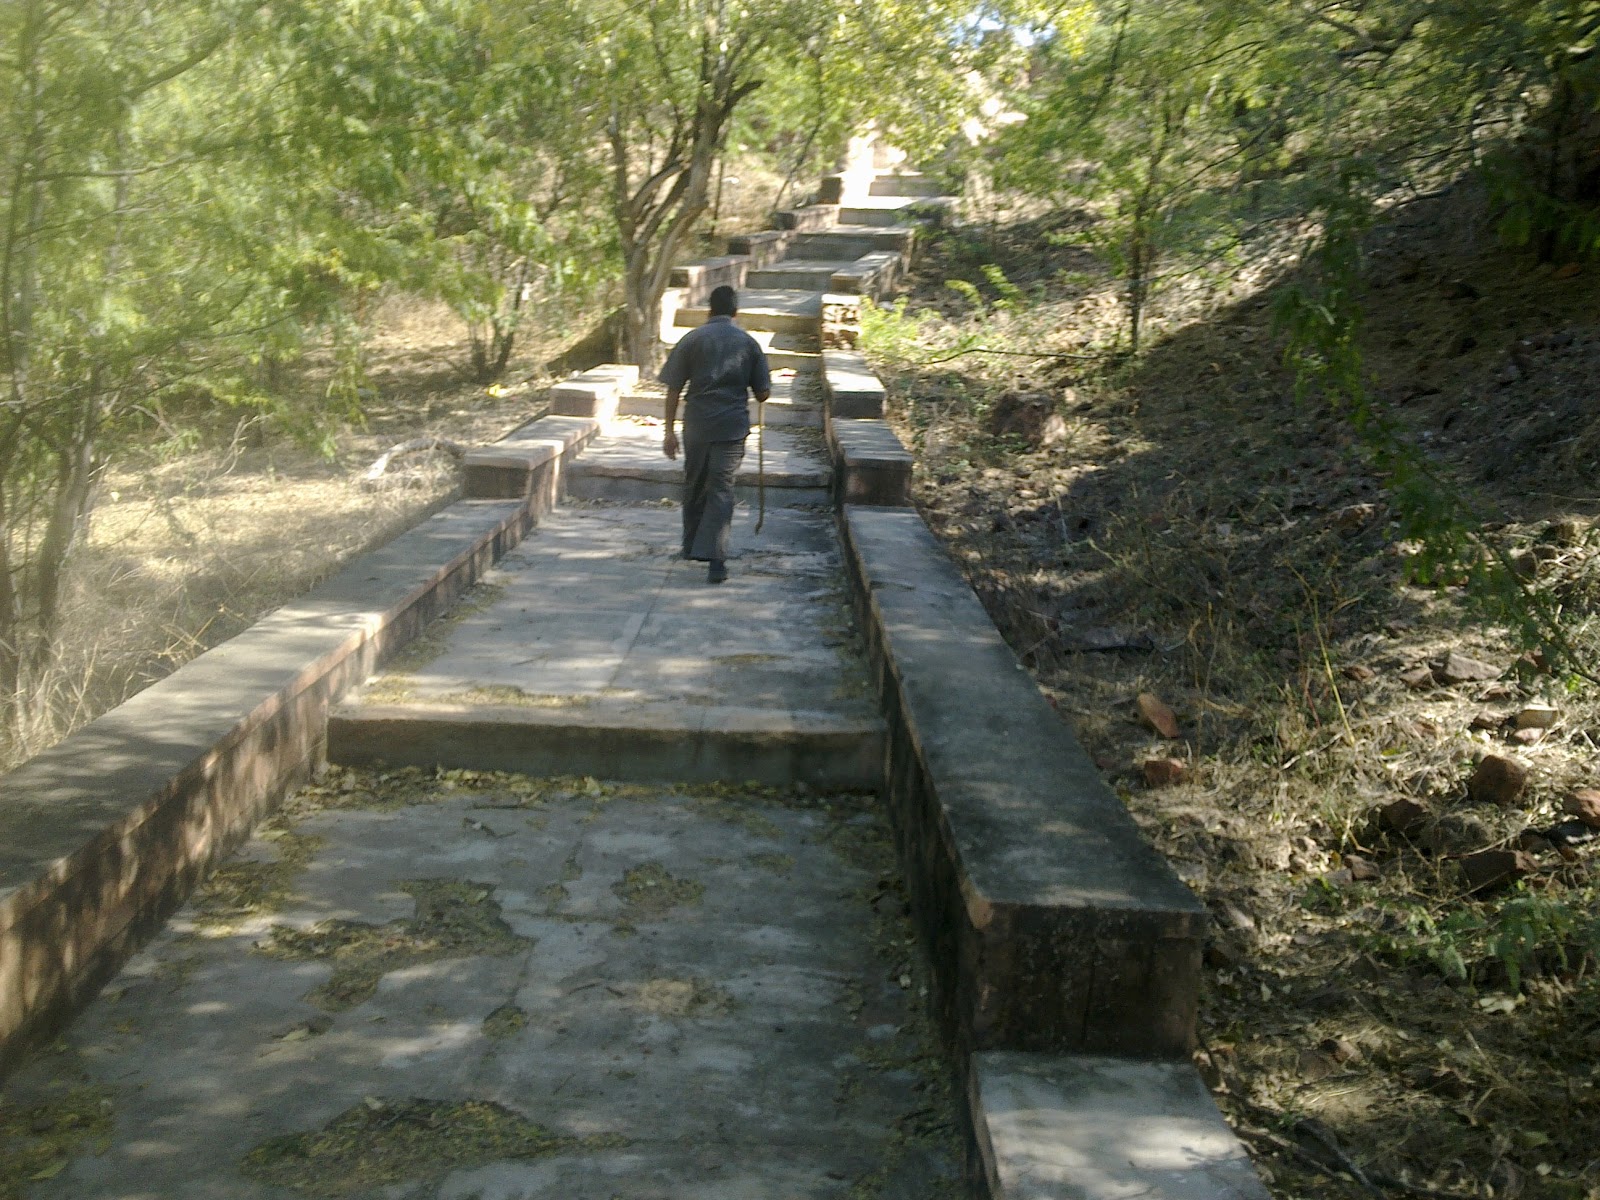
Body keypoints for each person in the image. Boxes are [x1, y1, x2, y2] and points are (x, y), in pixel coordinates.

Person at [659, 284, 771, 584]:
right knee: (721, 487)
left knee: (694, 483)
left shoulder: (691, 339)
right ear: (736, 312)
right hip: (732, 428)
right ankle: (717, 559)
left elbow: (673, 389)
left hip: (696, 425)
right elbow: (762, 392)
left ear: (709, 310)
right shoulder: (748, 343)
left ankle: (691, 547)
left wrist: (668, 431)